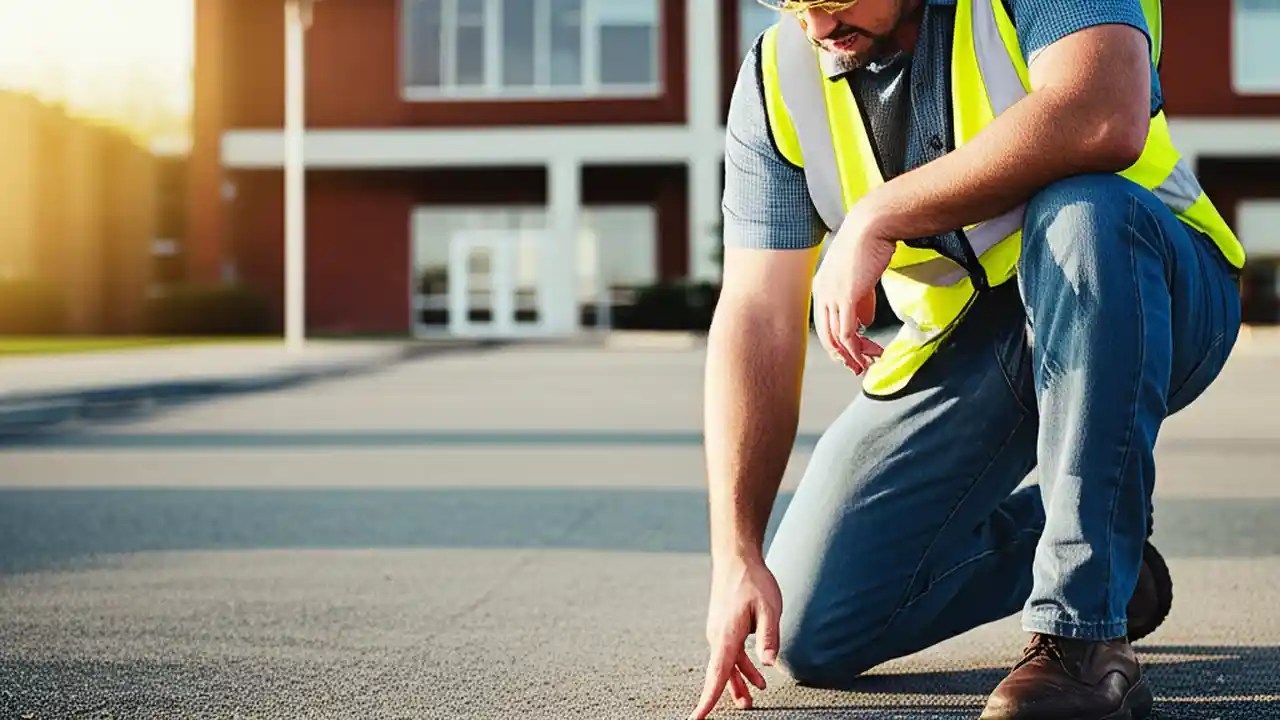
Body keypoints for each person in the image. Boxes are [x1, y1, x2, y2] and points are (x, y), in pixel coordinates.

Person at [690, 0, 1245, 718]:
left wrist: (880, 212)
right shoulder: (775, 81)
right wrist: (735, 553)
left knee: (1083, 210)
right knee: (807, 628)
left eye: (832, 0)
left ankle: (1083, 641)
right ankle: (1108, 550)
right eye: (793, 5)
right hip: (972, 348)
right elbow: (757, 314)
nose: (819, 29)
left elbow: (1102, 110)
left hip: (1145, 289)